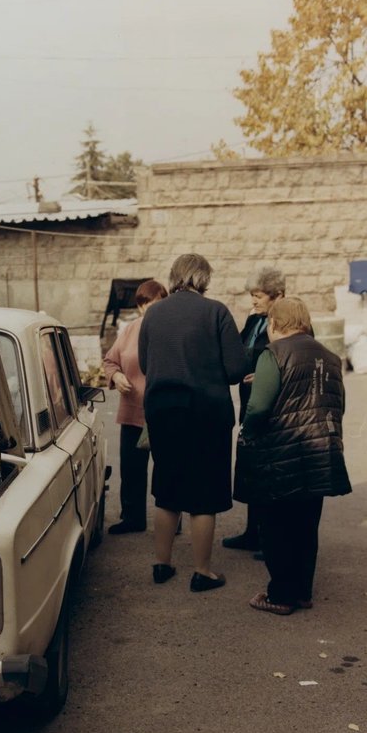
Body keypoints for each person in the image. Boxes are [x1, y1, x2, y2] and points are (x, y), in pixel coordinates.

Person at [233, 297, 351, 615]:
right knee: (305, 526)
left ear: (275, 323)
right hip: (320, 450)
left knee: (276, 527)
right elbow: (336, 402)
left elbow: (258, 407)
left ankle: (280, 595)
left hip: (283, 453)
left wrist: (247, 432)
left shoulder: (274, 353)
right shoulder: (329, 355)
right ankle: (301, 592)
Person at [138, 253, 248, 592]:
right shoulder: (216, 312)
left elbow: (145, 364)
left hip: (163, 410)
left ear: (174, 277)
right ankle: (202, 572)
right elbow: (235, 369)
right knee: (204, 493)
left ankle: (162, 564)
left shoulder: (153, 313)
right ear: (203, 278)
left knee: (167, 490)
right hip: (206, 413)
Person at [223, 266, 286, 553]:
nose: (254, 301)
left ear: (278, 296)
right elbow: (238, 349)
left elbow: (289, 361)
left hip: (270, 408)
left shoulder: (286, 322)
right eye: (252, 295)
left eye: (259, 296)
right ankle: (253, 532)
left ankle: (270, 537)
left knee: (269, 472)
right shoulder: (255, 321)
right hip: (249, 403)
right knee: (250, 467)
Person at [103, 279, 168, 535]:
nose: (150, 310)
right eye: (146, 305)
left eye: (157, 305)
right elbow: (110, 360)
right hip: (132, 410)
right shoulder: (130, 329)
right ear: (140, 306)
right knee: (131, 468)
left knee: (166, 468)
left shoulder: (171, 331)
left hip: (162, 411)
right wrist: (117, 377)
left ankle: (170, 518)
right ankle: (132, 517)